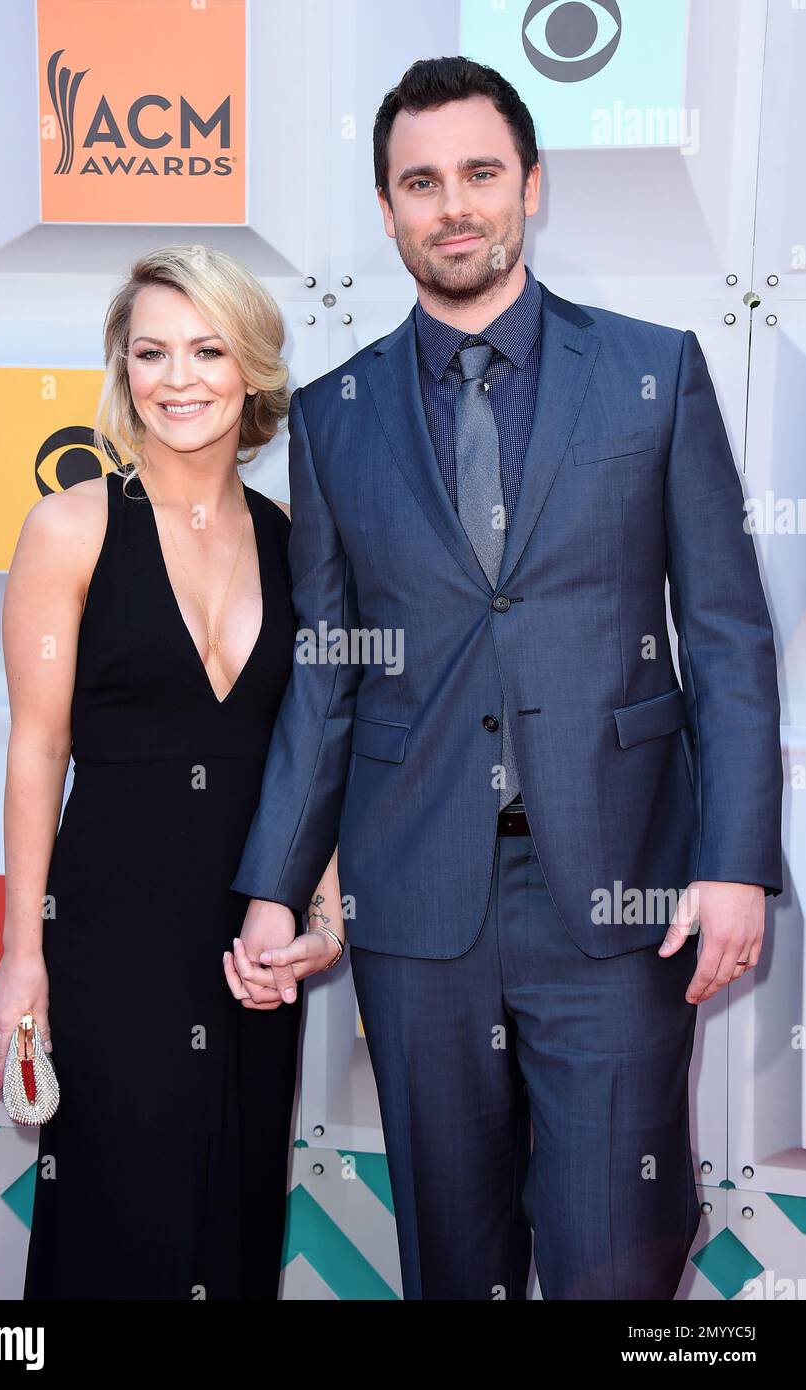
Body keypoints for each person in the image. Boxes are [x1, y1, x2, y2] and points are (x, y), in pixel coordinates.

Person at [226, 58, 784, 1299]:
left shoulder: (651, 370)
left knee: (614, 1258)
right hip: (415, 903)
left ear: (530, 184)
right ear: (387, 210)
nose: (453, 205)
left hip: (622, 894)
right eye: (420, 182)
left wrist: (736, 860)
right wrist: (273, 887)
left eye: (479, 173)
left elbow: (726, 635)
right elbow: (326, 674)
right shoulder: (334, 415)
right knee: (454, 1259)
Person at [0, 243, 343, 1301]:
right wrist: (22, 957)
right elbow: (36, 747)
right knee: (117, 1225)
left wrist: (324, 920)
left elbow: (311, 746)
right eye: (151, 352)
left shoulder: (291, 541)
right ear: (124, 369)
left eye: (207, 349)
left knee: (231, 1217)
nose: (177, 378)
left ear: (253, 369)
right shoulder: (71, 527)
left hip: (249, 943)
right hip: (109, 941)